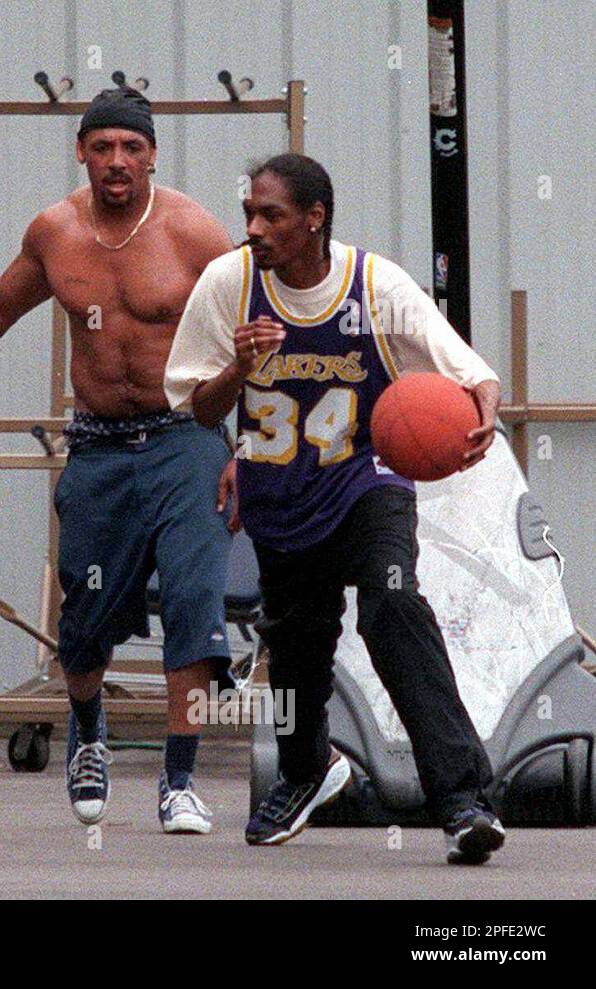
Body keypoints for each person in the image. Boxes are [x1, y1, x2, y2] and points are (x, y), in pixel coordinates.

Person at [0, 87, 235, 833]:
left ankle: (179, 778)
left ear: (153, 154)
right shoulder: (57, 232)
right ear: (81, 152)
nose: (117, 161)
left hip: (184, 435)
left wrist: (255, 447)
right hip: (99, 442)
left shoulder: (195, 232)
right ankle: (88, 729)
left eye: (131, 148)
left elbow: (255, 334)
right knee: (86, 609)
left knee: (196, 595)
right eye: (102, 147)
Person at [165, 152, 506, 865]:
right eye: (249, 212)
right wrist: (239, 368)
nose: (253, 226)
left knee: (393, 608)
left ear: (314, 219)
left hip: (366, 477)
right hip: (280, 492)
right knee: (296, 652)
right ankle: (304, 770)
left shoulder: (373, 284)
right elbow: (200, 410)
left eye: (271, 215)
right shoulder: (229, 284)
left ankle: (463, 800)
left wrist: (481, 405)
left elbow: (465, 368)